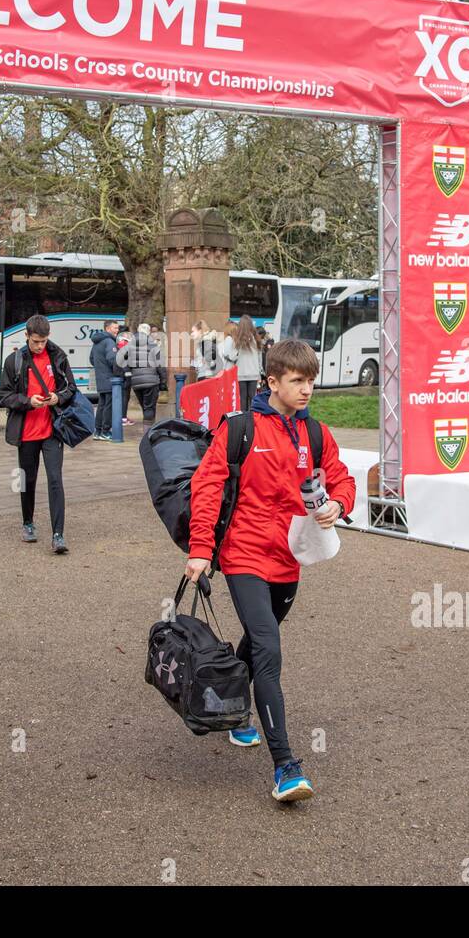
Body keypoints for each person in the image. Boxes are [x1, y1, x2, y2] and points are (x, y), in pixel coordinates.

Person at [186, 338, 356, 803]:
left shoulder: (314, 433)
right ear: (272, 382)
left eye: (311, 382)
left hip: (289, 559)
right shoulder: (239, 429)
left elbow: (340, 475)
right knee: (268, 648)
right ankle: (285, 766)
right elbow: (206, 487)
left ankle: (235, 708)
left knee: (256, 642)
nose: (306, 390)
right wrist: (201, 549)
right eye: (297, 381)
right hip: (243, 554)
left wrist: (338, 502)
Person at [0, 314, 76, 554]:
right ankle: (28, 523)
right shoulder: (14, 360)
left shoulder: (59, 357)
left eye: (43, 341)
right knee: (27, 479)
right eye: (35, 341)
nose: (40, 346)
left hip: (52, 430)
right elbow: (4, 395)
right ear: (26, 336)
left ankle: (58, 535)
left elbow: (71, 388)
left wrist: (58, 397)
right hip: (27, 431)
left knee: (55, 479)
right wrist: (27, 401)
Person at [117, 322, 165, 423]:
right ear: (148, 333)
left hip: (136, 382)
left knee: (145, 407)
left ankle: (147, 429)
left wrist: (129, 372)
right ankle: (149, 433)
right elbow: (160, 365)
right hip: (151, 381)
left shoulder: (130, 345)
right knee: (149, 408)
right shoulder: (153, 345)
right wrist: (163, 382)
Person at [88, 318, 120, 440]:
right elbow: (112, 360)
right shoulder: (109, 342)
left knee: (101, 405)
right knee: (108, 406)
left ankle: (98, 431)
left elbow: (91, 359)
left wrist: (100, 368)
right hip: (110, 378)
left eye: (117, 328)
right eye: (115, 328)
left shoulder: (96, 342)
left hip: (100, 378)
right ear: (107, 328)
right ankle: (106, 431)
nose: (117, 330)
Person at [233, 315, 264, 409]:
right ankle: (252, 418)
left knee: (242, 398)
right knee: (252, 397)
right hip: (253, 373)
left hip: (240, 373)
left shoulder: (237, 340)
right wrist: (260, 372)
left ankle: (243, 418)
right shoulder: (256, 339)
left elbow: (233, 357)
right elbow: (259, 358)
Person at [115, 325, 135, 425]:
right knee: (124, 397)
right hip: (125, 374)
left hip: (118, 373)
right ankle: (122, 418)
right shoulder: (125, 342)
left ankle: (120, 417)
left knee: (120, 397)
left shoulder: (116, 342)